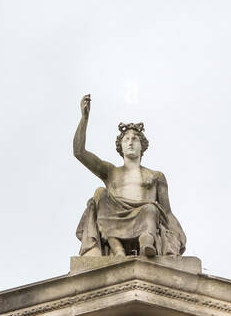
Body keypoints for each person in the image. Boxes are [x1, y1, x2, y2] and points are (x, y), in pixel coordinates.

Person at [74, 95, 186, 258]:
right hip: (115, 216)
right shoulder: (111, 172)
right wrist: (84, 118)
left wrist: (178, 232)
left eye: (135, 139)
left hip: (145, 215)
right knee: (100, 193)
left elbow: (167, 212)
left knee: (150, 209)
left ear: (143, 146)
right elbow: (79, 152)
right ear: (121, 147)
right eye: (126, 139)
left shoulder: (156, 176)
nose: (131, 142)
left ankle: (146, 244)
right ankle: (117, 248)